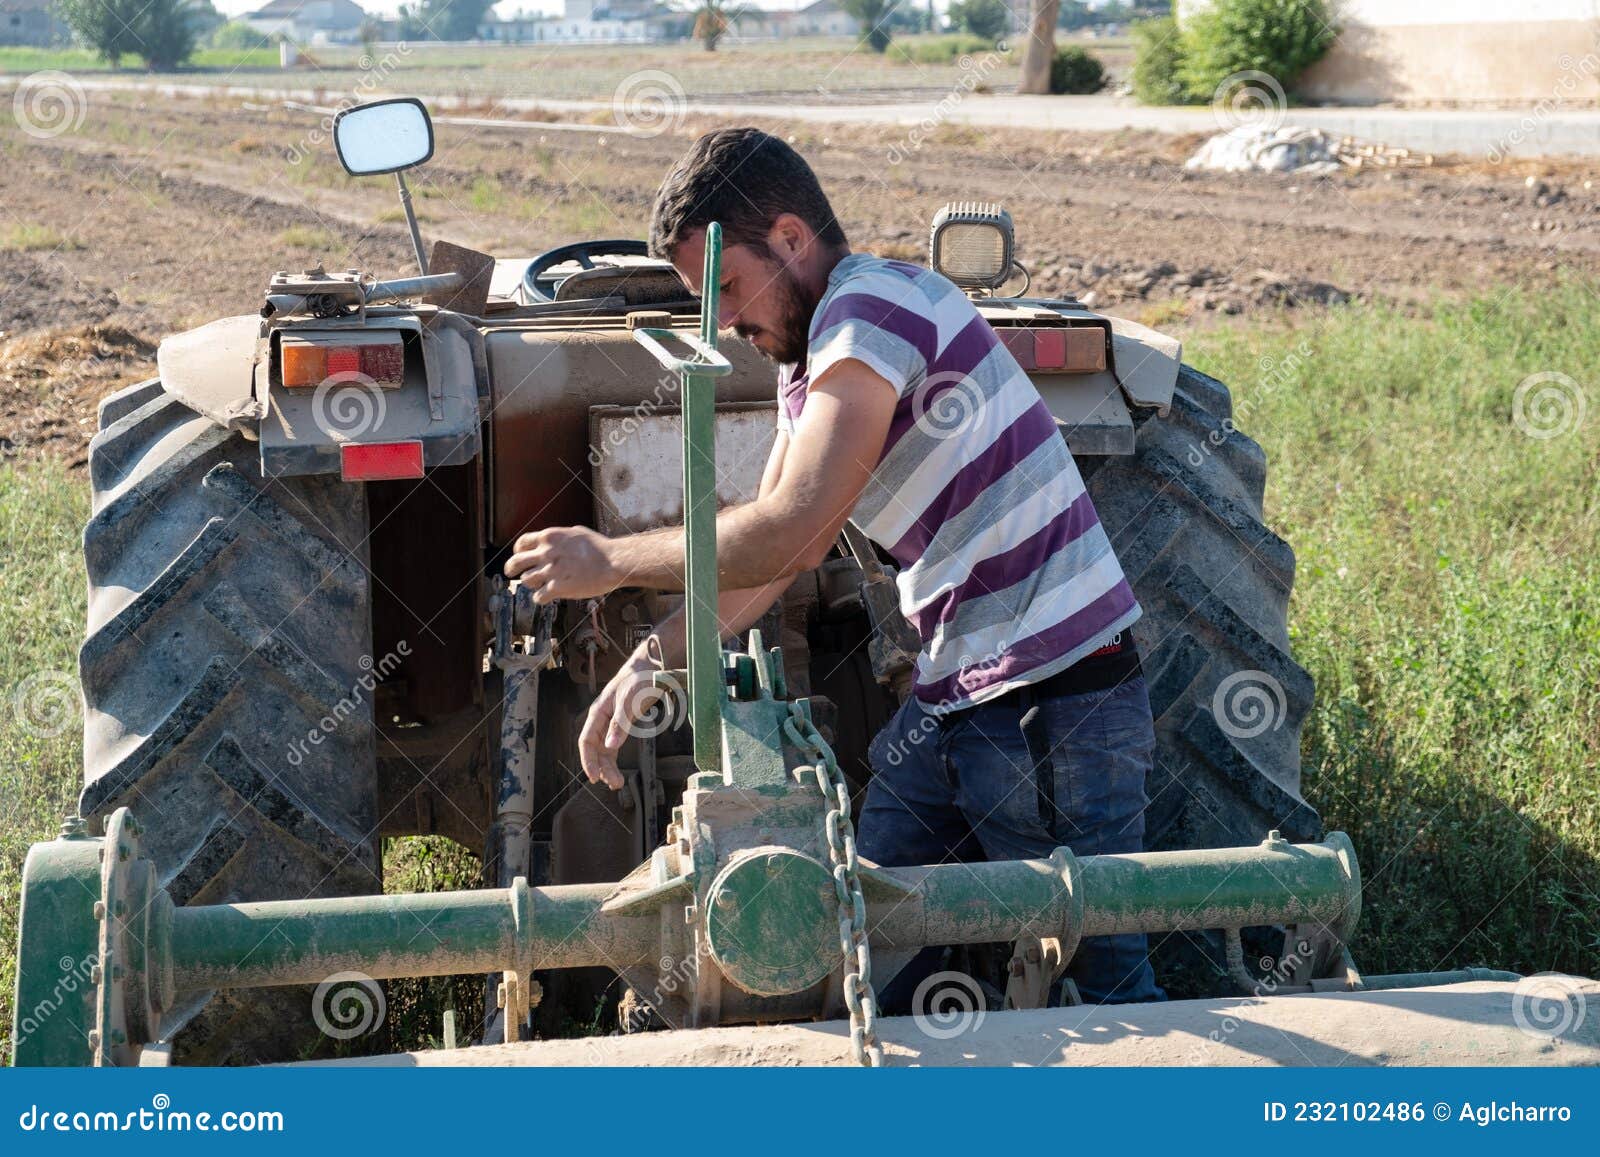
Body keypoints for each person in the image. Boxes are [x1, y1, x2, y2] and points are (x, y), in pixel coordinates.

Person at [503, 127, 1164, 1005]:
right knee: (853, 943)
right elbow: (765, 569)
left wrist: (612, 559)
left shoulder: (869, 311)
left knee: (1103, 977)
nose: (729, 322)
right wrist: (650, 658)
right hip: (961, 697)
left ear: (789, 237)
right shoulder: (812, 362)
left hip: (1059, 700)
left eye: (728, 289)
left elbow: (794, 531)